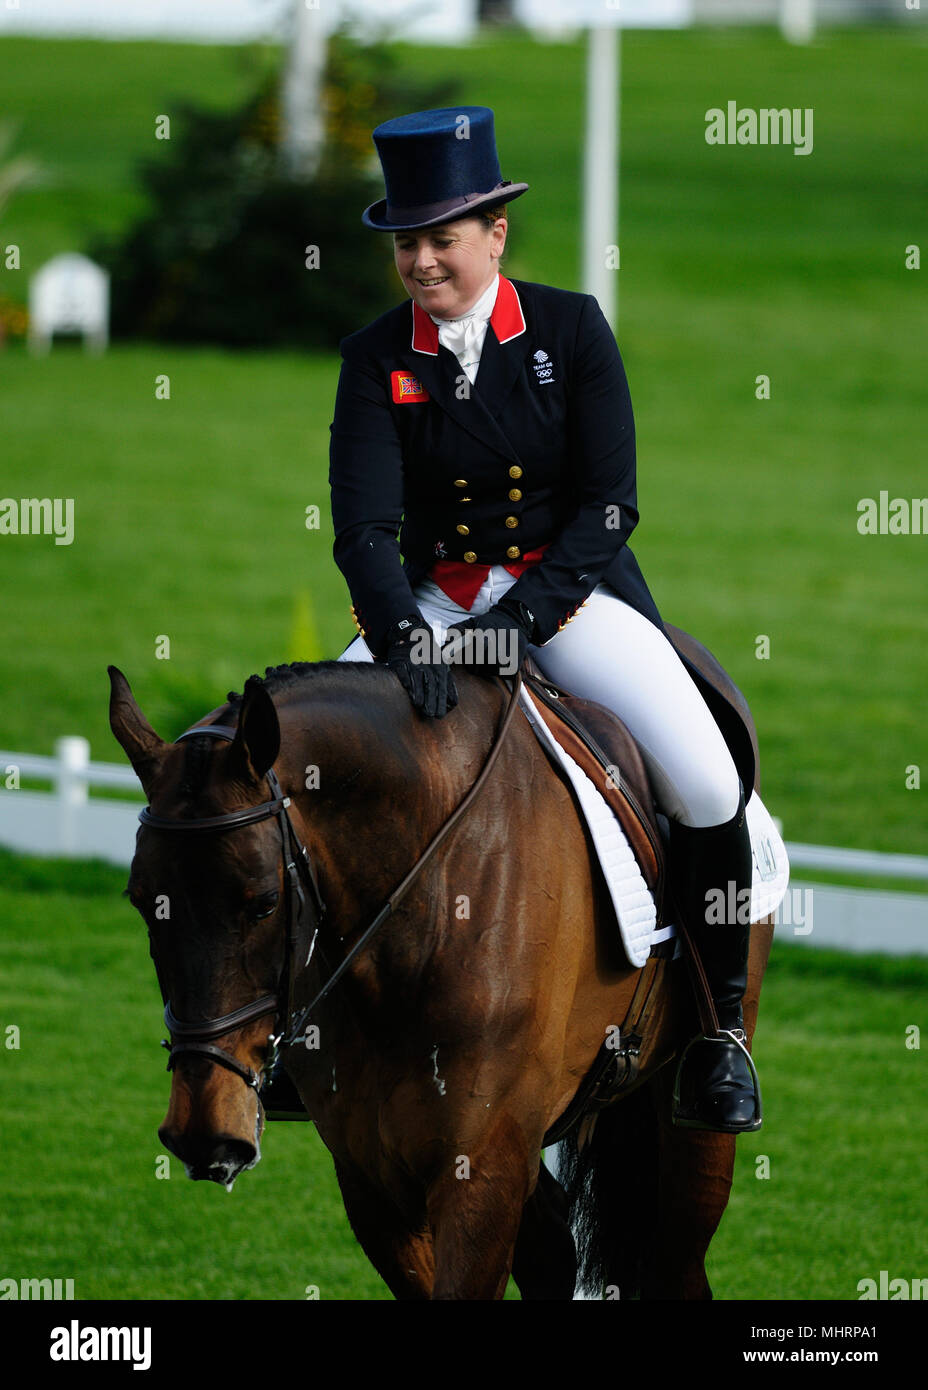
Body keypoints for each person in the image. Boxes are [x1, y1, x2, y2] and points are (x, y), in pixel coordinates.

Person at [328, 106, 760, 1134]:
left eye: (441, 239)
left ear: (494, 234)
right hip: (428, 603)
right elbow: (363, 528)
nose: (423, 261)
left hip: (565, 597)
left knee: (704, 778)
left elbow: (610, 504)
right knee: (320, 770)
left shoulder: (569, 330)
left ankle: (719, 1034)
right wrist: (401, 643)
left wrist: (519, 624)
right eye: (407, 244)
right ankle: (308, 1033)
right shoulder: (374, 355)